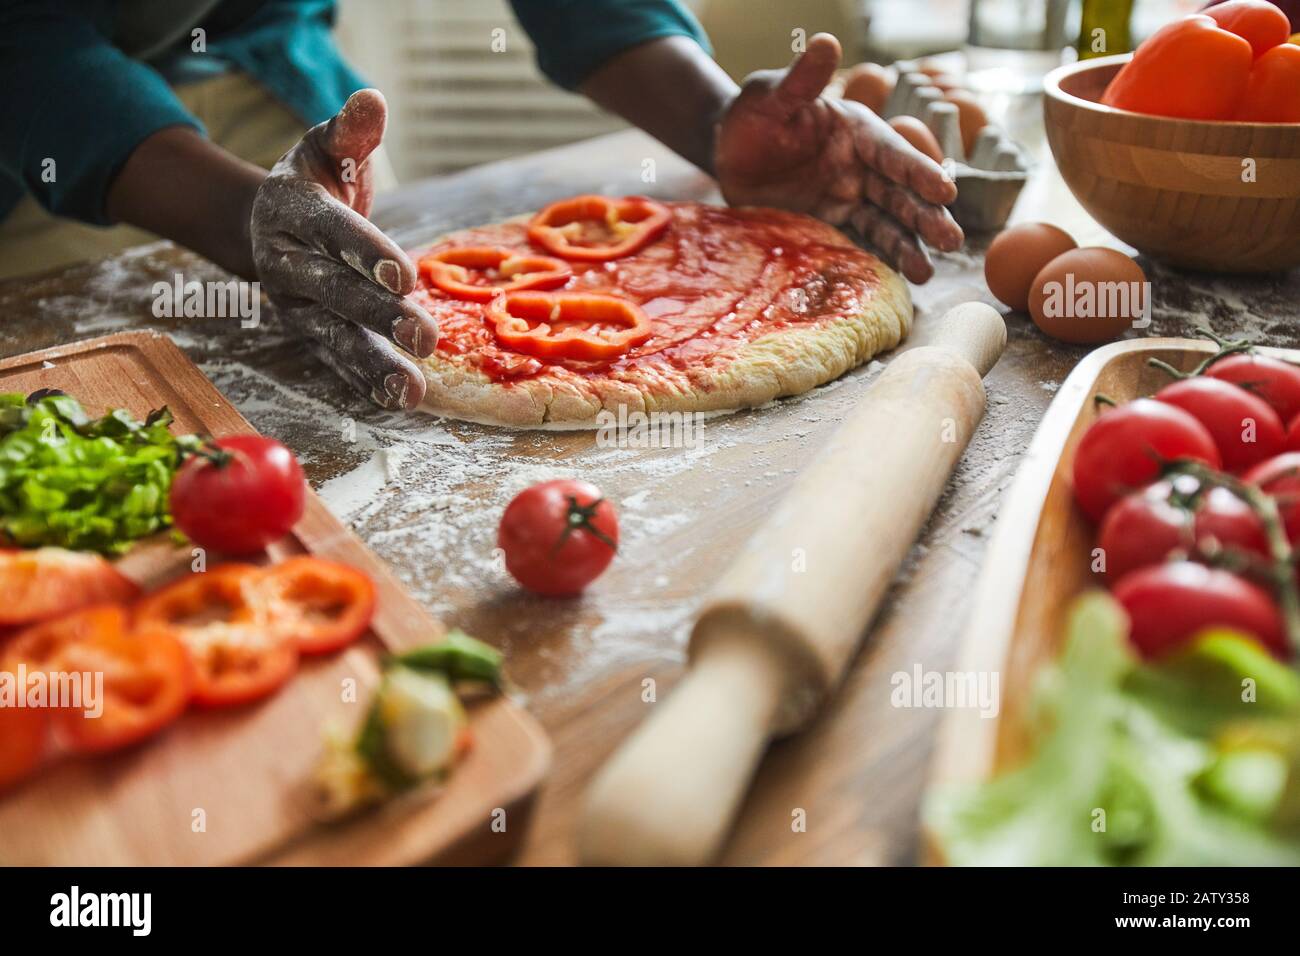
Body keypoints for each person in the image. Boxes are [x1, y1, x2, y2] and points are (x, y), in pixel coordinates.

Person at [0, 0, 963, 410]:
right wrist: (240, 218)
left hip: (271, 68)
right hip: (46, 133)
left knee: (367, 286)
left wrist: (715, 124)